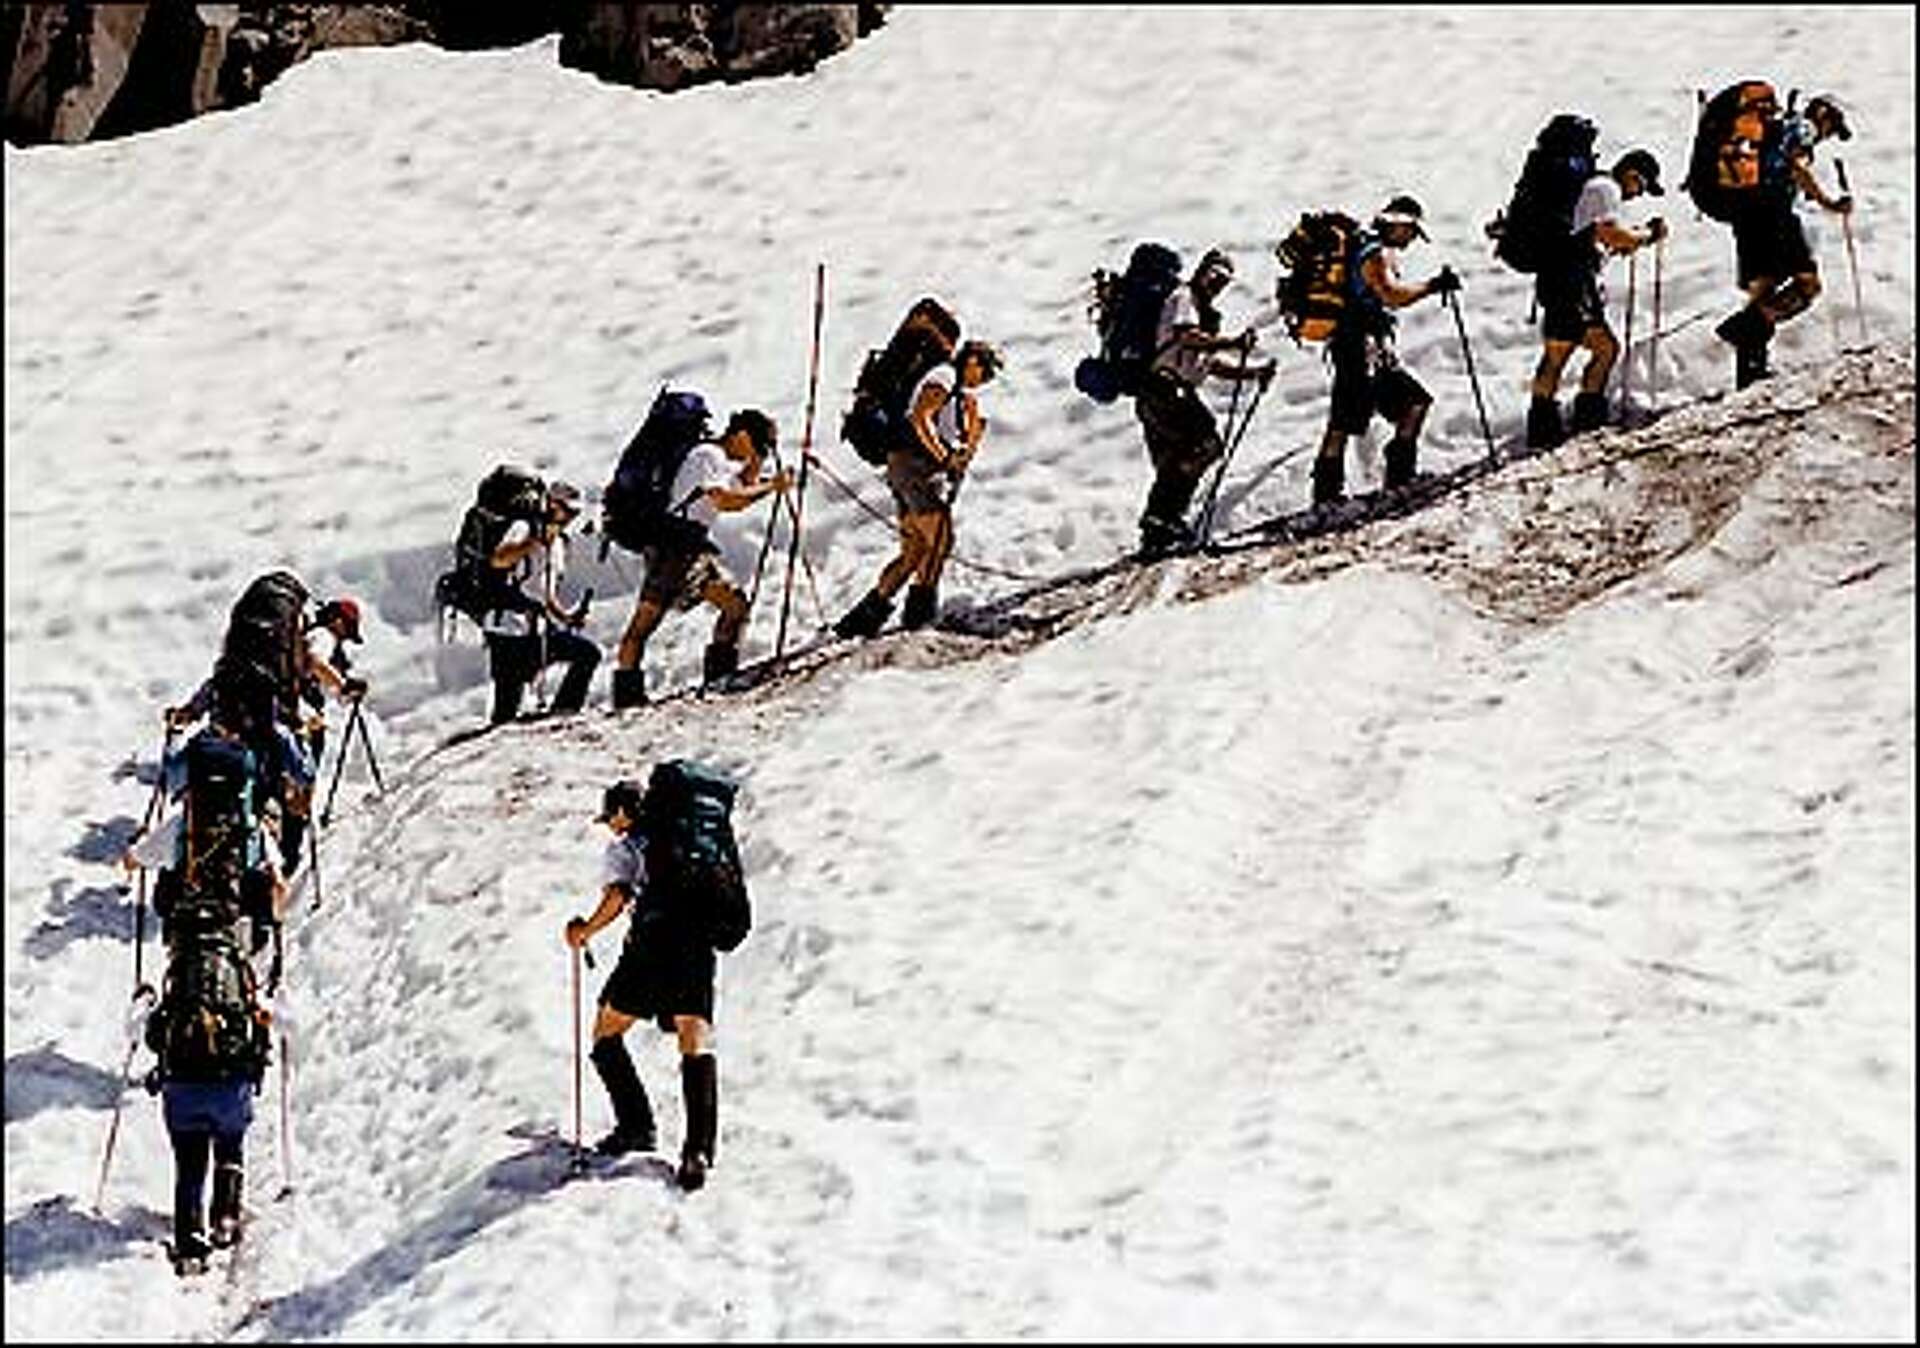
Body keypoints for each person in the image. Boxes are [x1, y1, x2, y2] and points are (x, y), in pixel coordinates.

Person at [123, 725, 281, 1276]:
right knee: (236, 1011)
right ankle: (227, 1214)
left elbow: (136, 861)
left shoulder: (182, 822)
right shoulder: (250, 828)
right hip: (235, 944)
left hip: (188, 945)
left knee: (189, 1002)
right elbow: (275, 884)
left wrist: (138, 856)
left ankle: (190, 1238)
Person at [563, 778, 722, 1191]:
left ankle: (636, 1126)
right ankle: (698, 1151)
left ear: (622, 812)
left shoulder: (627, 847)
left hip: (650, 951)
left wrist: (585, 931)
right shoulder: (689, 836)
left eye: (610, 818)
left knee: (606, 1031)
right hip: (697, 947)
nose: (611, 826)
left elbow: (618, 896)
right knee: (694, 1038)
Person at [611, 410, 789, 708]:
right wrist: (772, 487)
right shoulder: (708, 456)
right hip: (675, 550)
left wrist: (759, 465)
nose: (757, 453)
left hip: (685, 548)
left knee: (734, 605)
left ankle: (713, 678)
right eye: (757, 445)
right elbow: (725, 500)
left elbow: (741, 487)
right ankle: (630, 695)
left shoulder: (714, 459)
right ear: (742, 435)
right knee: (645, 624)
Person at [834, 339, 1003, 637]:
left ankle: (862, 619)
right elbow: (921, 418)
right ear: (972, 361)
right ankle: (919, 616)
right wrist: (945, 458)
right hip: (916, 468)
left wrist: (967, 440)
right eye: (985, 372)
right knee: (940, 540)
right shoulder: (945, 377)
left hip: (905, 467)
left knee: (914, 551)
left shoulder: (953, 388)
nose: (984, 381)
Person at [1309, 195, 1458, 507]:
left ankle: (1330, 490)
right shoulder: (1374, 253)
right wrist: (1432, 286)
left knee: (1348, 415)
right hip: (1361, 345)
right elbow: (1391, 295)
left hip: (1354, 343)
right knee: (1390, 407)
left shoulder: (1362, 246)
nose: (1411, 238)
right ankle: (1389, 479)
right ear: (1399, 224)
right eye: (1411, 231)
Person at [1129, 248, 1274, 556]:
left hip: (1158, 390)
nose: (1218, 283)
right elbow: (1186, 336)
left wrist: (1252, 373)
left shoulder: (1202, 312)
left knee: (1176, 457)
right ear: (1201, 270)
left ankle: (1160, 528)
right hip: (1166, 389)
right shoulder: (1184, 299)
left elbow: (1207, 364)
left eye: (1224, 280)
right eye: (1215, 275)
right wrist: (1233, 342)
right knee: (1204, 446)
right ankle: (1165, 520)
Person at [1526, 149, 1669, 449]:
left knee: (1562, 353)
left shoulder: (1591, 187)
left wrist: (1630, 240)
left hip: (1557, 279)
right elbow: (1610, 233)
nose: (1637, 194)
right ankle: (1585, 420)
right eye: (1641, 186)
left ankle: (1544, 427)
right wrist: (1646, 235)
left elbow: (1595, 237)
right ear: (1632, 175)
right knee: (1600, 349)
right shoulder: (1606, 188)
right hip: (1573, 283)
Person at [1714, 91, 1855, 389]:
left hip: (1746, 214)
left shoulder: (1772, 129)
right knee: (1808, 286)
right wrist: (1830, 204)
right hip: (1776, 213)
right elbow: (1797, 165)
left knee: (1762, 289)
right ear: (1823, 115)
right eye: (1832, 127)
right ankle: (1740, 328)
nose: (1827, 136)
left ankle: (1750, 372)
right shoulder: (1804, 128)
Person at [480, 480, 600, 725]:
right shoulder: (523, 527)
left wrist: (566, 617)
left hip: (535, 630)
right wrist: (534, 542)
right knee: (506, 709)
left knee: (588, 654)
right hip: (507, 630)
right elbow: (499, 559)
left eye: (574, 512)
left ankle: (564, 712)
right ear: (550, 504)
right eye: (566, 510)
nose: (570, 518)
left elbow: (544, 594)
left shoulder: (559, 543)